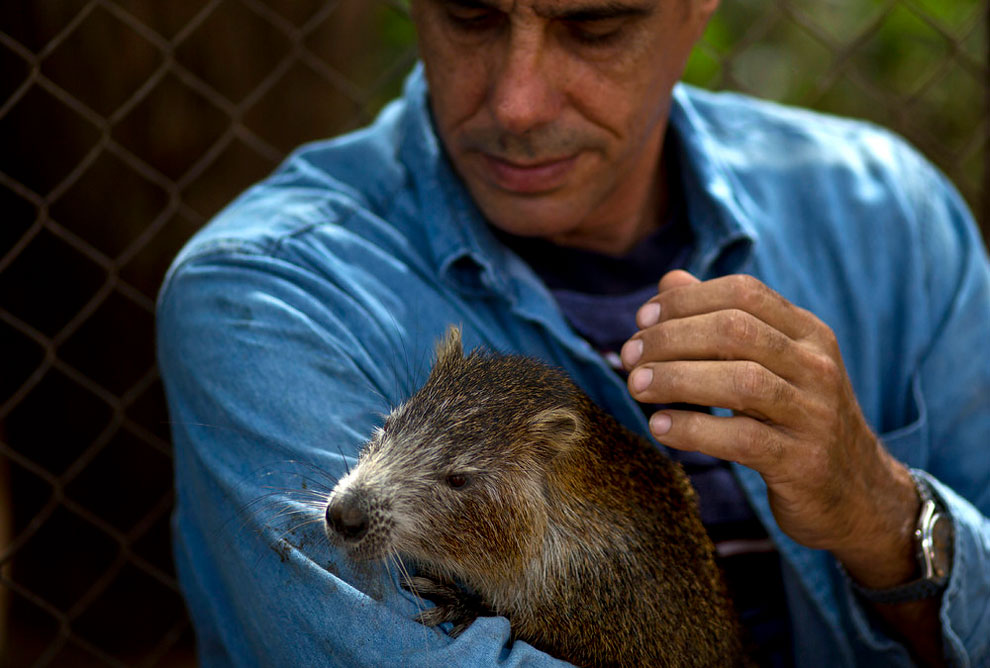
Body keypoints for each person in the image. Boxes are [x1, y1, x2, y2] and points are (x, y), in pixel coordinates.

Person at [155, 0, 990, 665]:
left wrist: (885, 513)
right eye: (470, 16)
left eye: (595, 26)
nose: (518, 103)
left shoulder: (891, 221)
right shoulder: (270, 293)